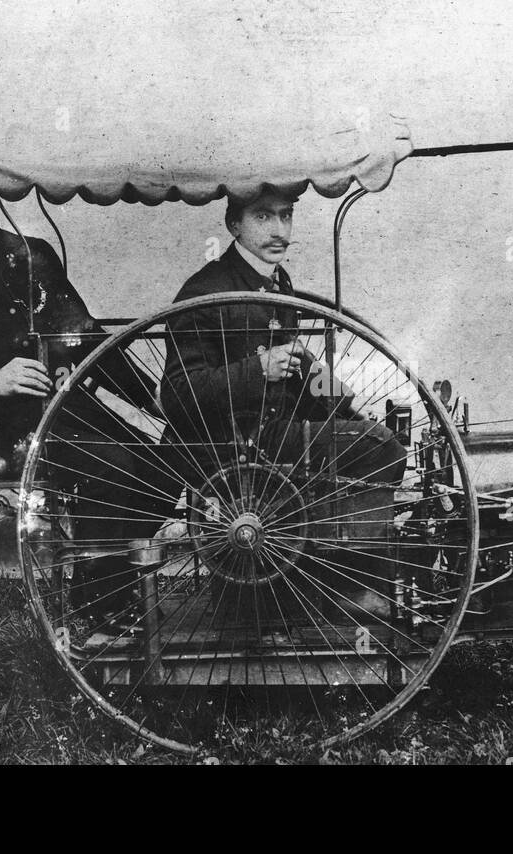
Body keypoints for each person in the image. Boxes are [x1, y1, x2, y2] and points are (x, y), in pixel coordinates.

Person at [0, 133, 175, 626]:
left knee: (168, 464)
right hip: (8, 432)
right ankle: (101, 607)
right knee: (116, 469)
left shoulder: (36, 254)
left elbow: (89, 339)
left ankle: (103, 586)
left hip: (75, 413)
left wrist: (153, 399)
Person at [161, 186, 407, 617]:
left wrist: (343, 407)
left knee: (374, 439)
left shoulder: (272, 281)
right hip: (236, 445)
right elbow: (178, 394)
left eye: (286, 216)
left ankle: (316, 583)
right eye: (263, 217)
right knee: (382, 450)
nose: (279, 230)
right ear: (233, 223)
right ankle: (338, 589)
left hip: (268, 435)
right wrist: (259, 371)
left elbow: (297, 359)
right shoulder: (207, 292)